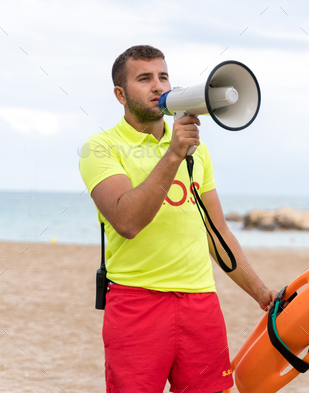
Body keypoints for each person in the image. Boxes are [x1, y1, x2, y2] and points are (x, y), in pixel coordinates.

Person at [78, 45, 278, 393]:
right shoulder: (101, 148)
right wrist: (173, 155)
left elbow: (218, 234)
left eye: (163, 76)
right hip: (137, 301)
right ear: (120, 94)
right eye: (144, 78)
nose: (158, 86)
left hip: (201, 303)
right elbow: (127, 221)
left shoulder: (197, 151)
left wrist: (260, 292)